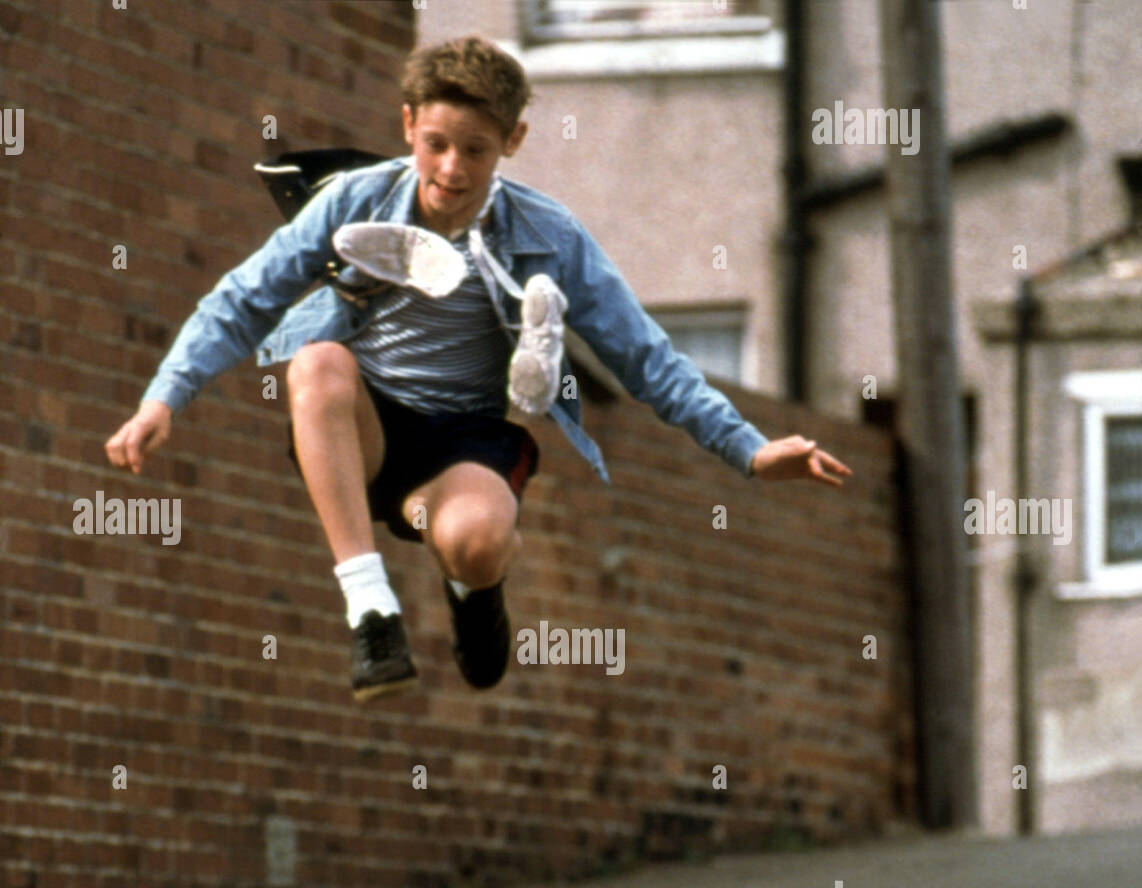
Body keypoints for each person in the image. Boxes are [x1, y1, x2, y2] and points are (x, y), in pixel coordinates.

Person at [105, 35, 851, 702]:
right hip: (362, 426)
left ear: (514, 141)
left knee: (477, 542)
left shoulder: (549, 235)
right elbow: (242, 299)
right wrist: (163, 398)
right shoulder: (354, 202)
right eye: (434, 144)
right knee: (317, 361)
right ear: (407, 126)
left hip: (463, 441)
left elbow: (647, 357)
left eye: (476, 150)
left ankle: (473, 590)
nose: (451, 170)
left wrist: (749, 449)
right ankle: (371, 613)